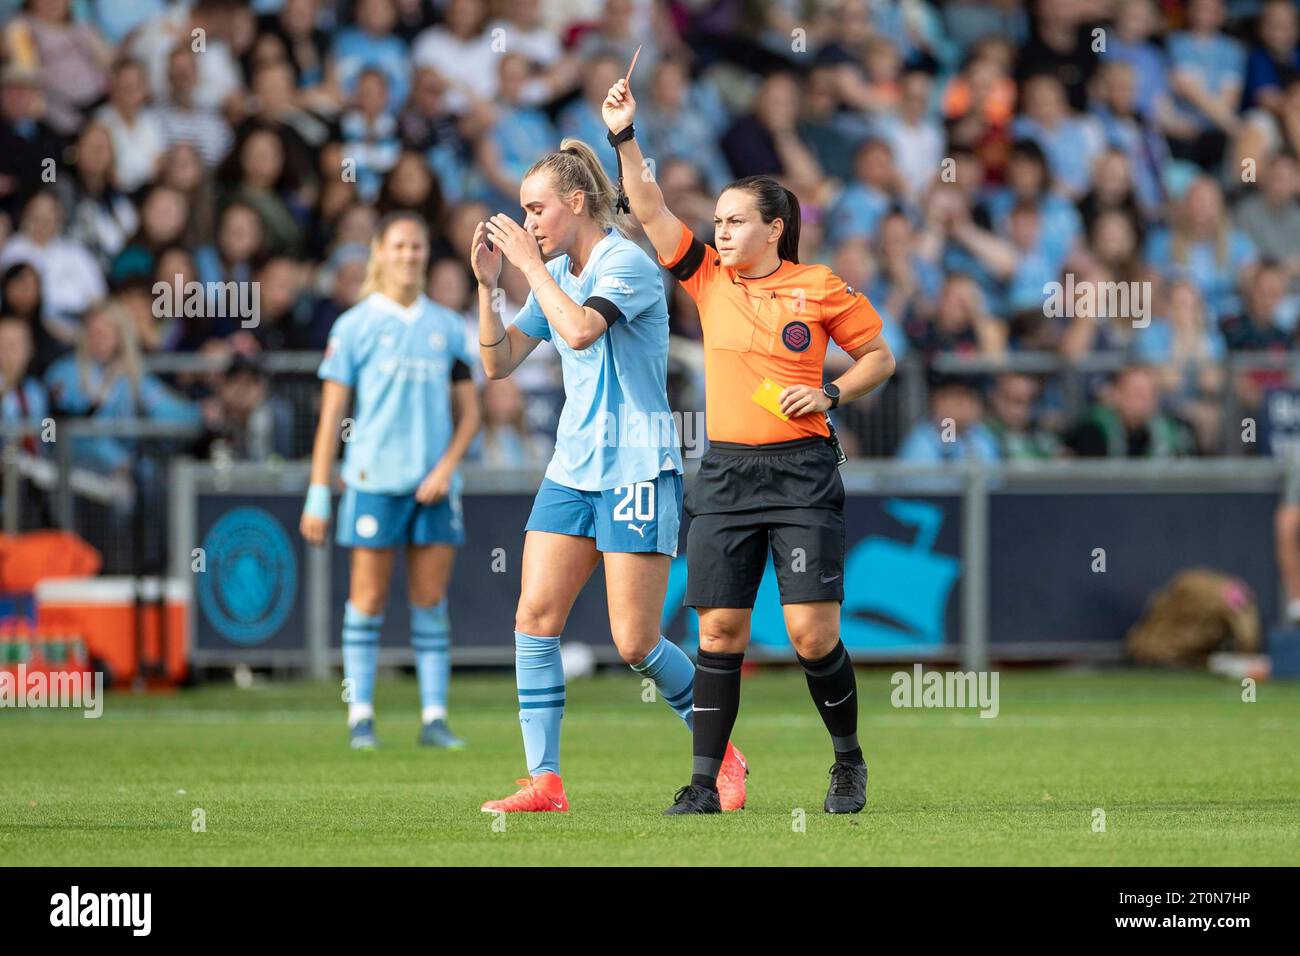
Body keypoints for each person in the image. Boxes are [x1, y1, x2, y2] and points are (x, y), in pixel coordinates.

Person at [602, 76, 896, 815]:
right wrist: (625, 135)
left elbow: (880, 359)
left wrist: (830, 393)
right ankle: (703, 784)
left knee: (807, 633)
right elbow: (650, 205)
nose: (720, 230)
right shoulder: (705, 277)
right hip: (728, 472)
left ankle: (848, 761)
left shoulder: (820, 286)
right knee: (721, 630)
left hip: (800, 472)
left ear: (773, 227)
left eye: (734, 221)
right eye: (720, 220)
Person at [471, 138, 746, 814]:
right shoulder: (556, 268)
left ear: (576, 202)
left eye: (537, 208)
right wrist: (487, 289)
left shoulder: (625, 263)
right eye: (523, 211)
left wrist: (530, 268)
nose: (529, 222)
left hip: (635, 469)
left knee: (635, 642)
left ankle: (723, 752)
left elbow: (583, 331)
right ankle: (545, 782)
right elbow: (499, 363)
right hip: (572, 468)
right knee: (534, 618)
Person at [300, 211, 481, 751]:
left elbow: (470, 413)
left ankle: (434, 718)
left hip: (433, 487)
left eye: (418, 246)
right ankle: (360, 716)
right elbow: (332, 416)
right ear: (379, 252)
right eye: (399, 246)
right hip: (372, 481)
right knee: (367, 600)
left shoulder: (447, 327)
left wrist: (447, 468)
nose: (409, 256)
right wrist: (317, 492)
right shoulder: (354, 325)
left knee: (430, 601)